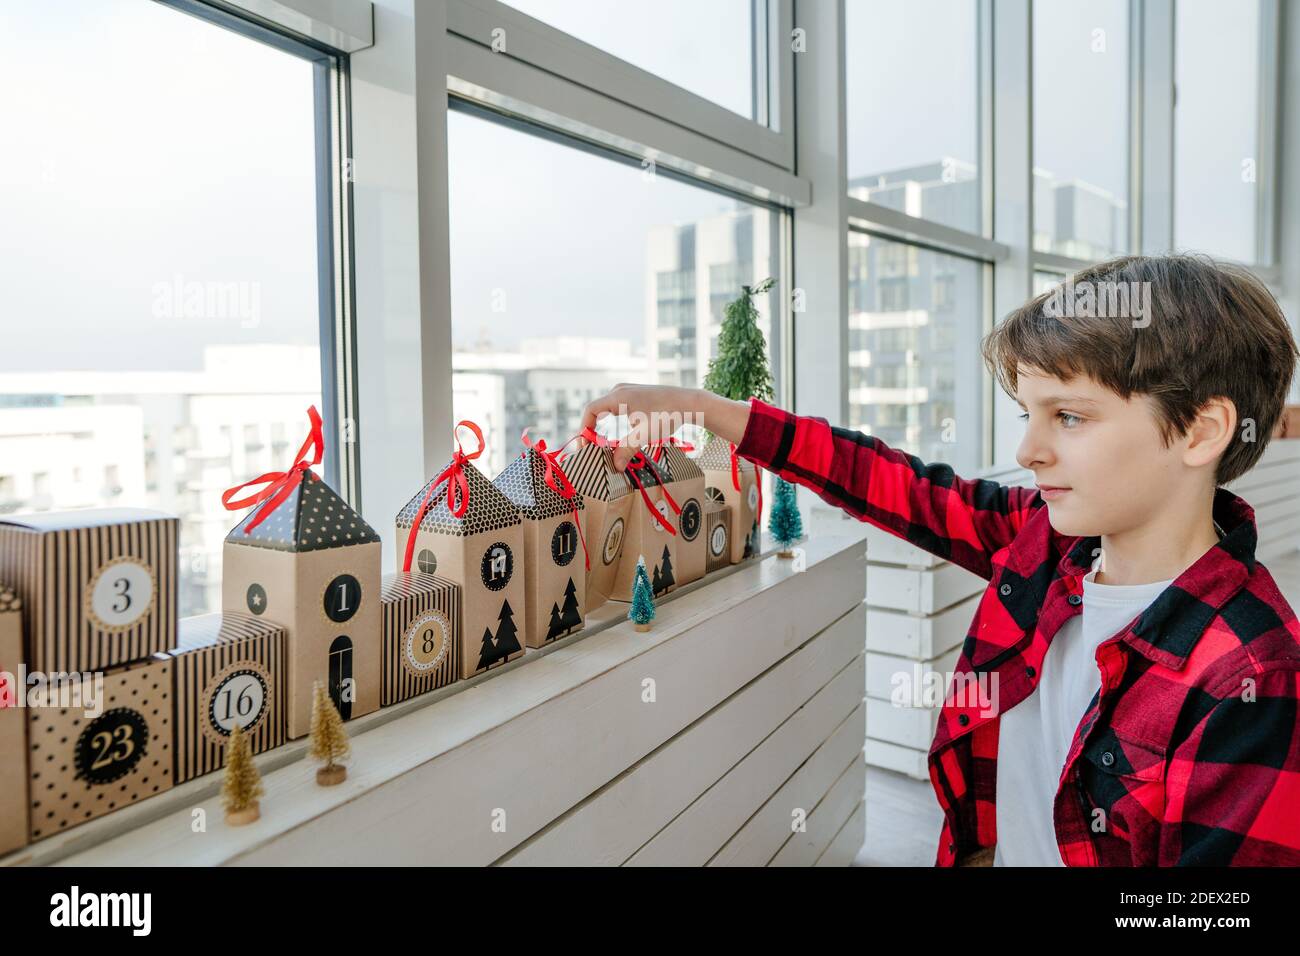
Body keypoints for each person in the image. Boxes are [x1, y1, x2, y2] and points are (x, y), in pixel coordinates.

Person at [579, 254, 1300, 866]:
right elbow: (889, 482)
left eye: (1069, 417)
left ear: (1201, 432)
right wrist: (701, 408)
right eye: (1030, 414)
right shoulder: (1044, 546)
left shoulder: (1255, 677)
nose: (1028, 451)